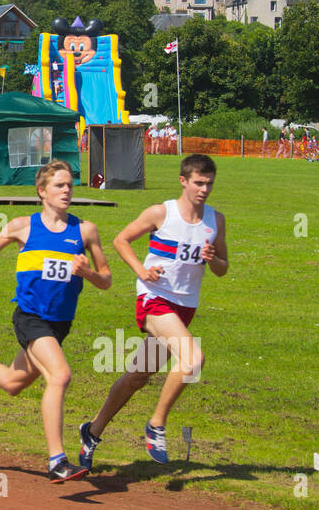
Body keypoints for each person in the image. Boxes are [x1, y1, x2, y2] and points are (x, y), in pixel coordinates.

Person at [0, 161, 111, 483]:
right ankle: (57, 460)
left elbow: (107, 280)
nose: (67, 191)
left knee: (12, 383)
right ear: (42, 191)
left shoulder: (85, 231)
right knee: (60, 376)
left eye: (70, 185)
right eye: (59, 185)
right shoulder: (22, 227)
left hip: (59, 325)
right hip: (30, 317)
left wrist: (88, 273)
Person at [77, 154, 229, 470]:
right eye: (199, 183)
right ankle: (156, 425)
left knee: (138, 376)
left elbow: (222, 269)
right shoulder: (162, 213)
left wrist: (213, 259)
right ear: (183, 181)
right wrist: (140, 271)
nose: (204, 189)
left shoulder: (216, 221)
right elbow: (122, 240)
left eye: (209, 183)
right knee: (193, 359)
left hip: (184, 308)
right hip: (154, 300)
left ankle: (91, 432)